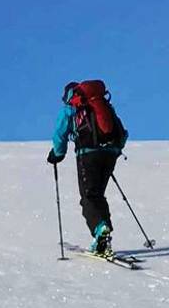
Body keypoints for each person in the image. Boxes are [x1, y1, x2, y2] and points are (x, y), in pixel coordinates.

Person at [48, 80, 128, 256]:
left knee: (89, 196)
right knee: (97, 195)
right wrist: (113, 150)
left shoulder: (73, 107)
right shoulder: (102, 103)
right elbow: (119, 130)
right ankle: (103, 235)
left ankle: (101, 230)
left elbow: (60, 133)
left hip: (88, 154)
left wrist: (57, 154)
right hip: (110, 153)